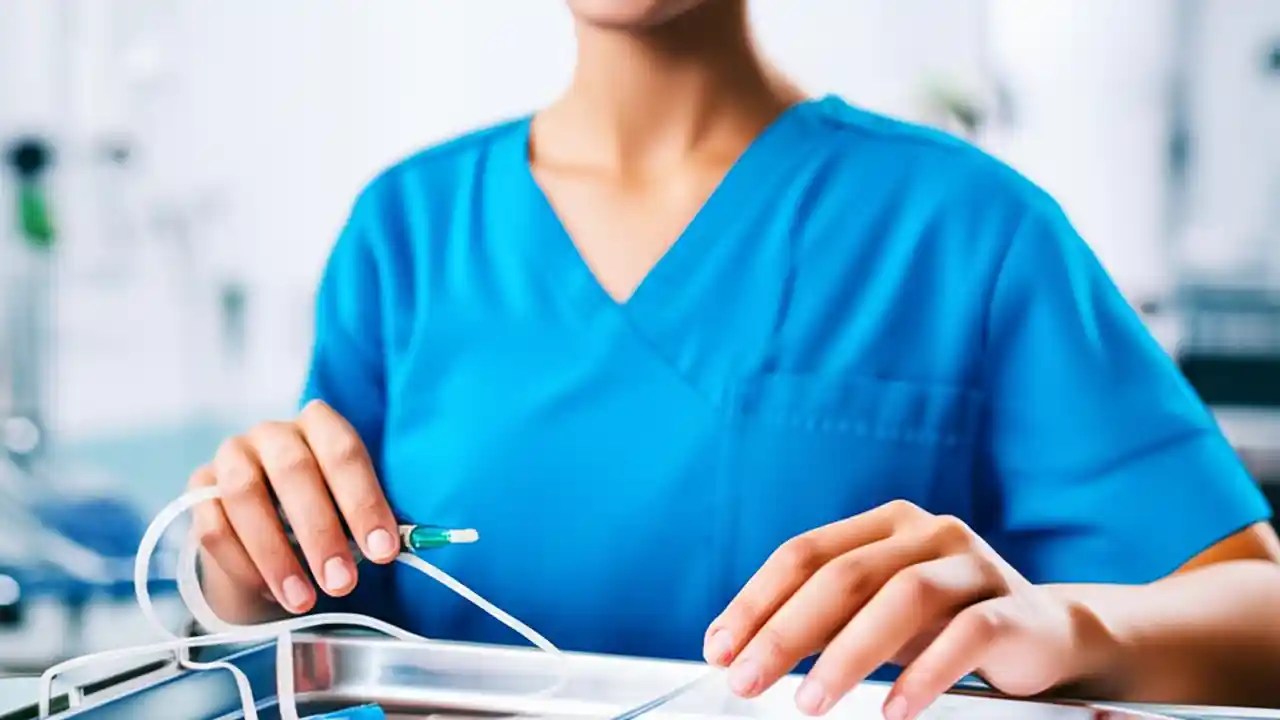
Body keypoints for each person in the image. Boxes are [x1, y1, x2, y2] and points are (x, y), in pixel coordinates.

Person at [188, 0, 1280, 716]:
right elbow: (326, 620)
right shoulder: (406, 234)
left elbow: (1257, 611)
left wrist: (1066, 624)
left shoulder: (964, 230)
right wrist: (247, 568)